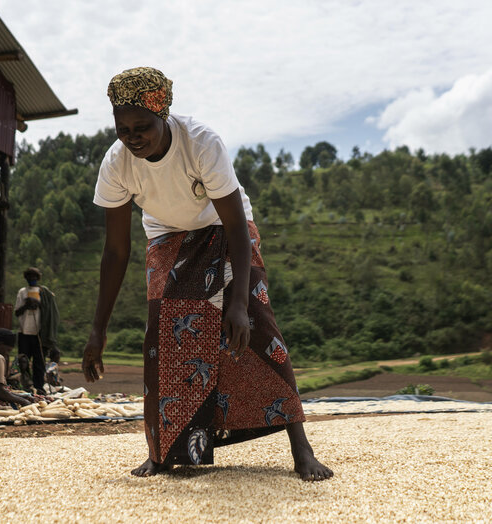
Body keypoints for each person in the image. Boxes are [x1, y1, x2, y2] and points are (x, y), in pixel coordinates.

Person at [82, 67, 333, 481]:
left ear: (164, 116)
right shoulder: (117, 163)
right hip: (167, 236)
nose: (132, 137)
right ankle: (163, 452)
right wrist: (98, 330)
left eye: (142, 126)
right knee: (166, 334)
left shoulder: (201, 142)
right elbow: (115, 250)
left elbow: (235, 225)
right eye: (122, 128)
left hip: (225, 229)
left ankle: (301, 448)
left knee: (255, 323)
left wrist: (235, 302)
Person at [14, 267, 61, 393]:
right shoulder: (22, 292)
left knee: (39, 362)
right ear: (26, 278)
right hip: (24, 332)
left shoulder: (44, 292)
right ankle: (26, 386)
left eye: (34, 277)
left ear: (38, 278)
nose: (32, 279)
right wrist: (26, 305)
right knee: (23, 361)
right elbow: (17, 312)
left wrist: (38, 304)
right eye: (29, 277)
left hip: (40, 333)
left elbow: (50, 311)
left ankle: (39, 387)